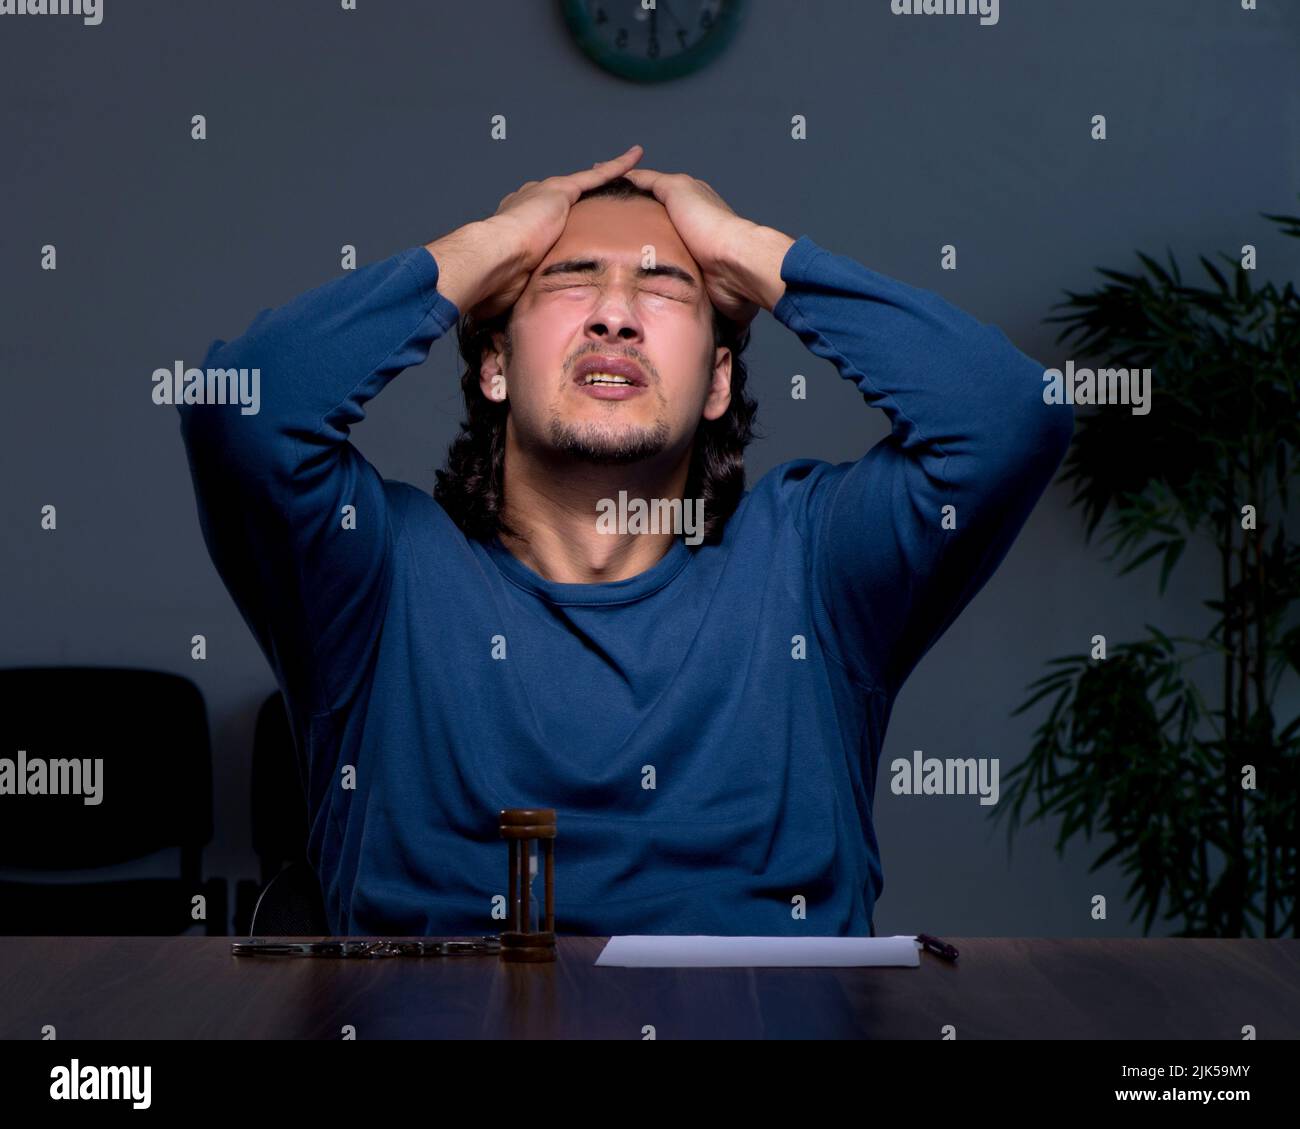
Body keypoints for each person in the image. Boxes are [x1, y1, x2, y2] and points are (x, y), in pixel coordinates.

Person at [177, 145, 1073, 937]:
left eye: (663, 285)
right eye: (569, 281)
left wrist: (746, 250)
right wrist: (486, 245)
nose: (615, 315)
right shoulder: (375, 571)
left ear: (718, 380)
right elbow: (241, 408)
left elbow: (1007, 416)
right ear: (494, 363)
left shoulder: (811, 565)